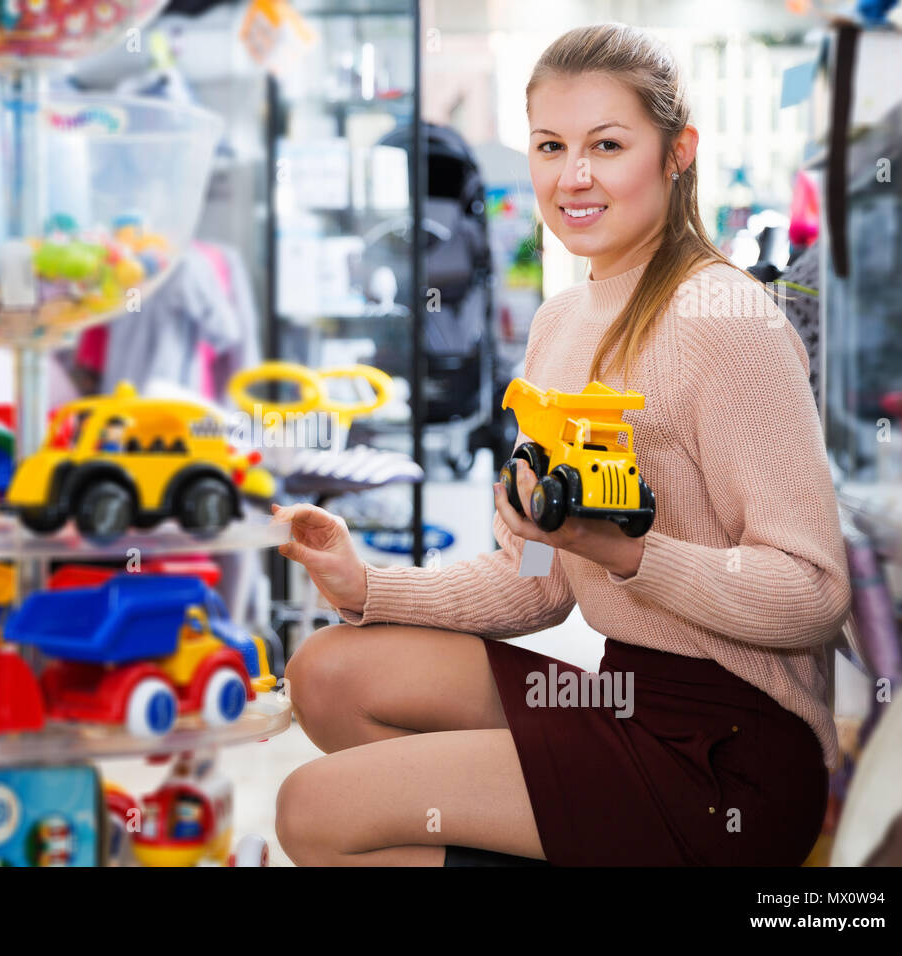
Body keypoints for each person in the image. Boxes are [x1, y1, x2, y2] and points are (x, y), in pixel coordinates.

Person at [271, 22, 850, 867]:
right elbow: (534, 581)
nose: (573, 177)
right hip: (625, 690)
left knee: (311, 811)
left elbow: (812, 591)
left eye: (607, 145)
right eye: (551, 145)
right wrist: (367, 583)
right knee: (324, 673)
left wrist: (631, 557)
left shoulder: (726, 321)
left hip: (730, 750)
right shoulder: (559, 323)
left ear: (677, 152)